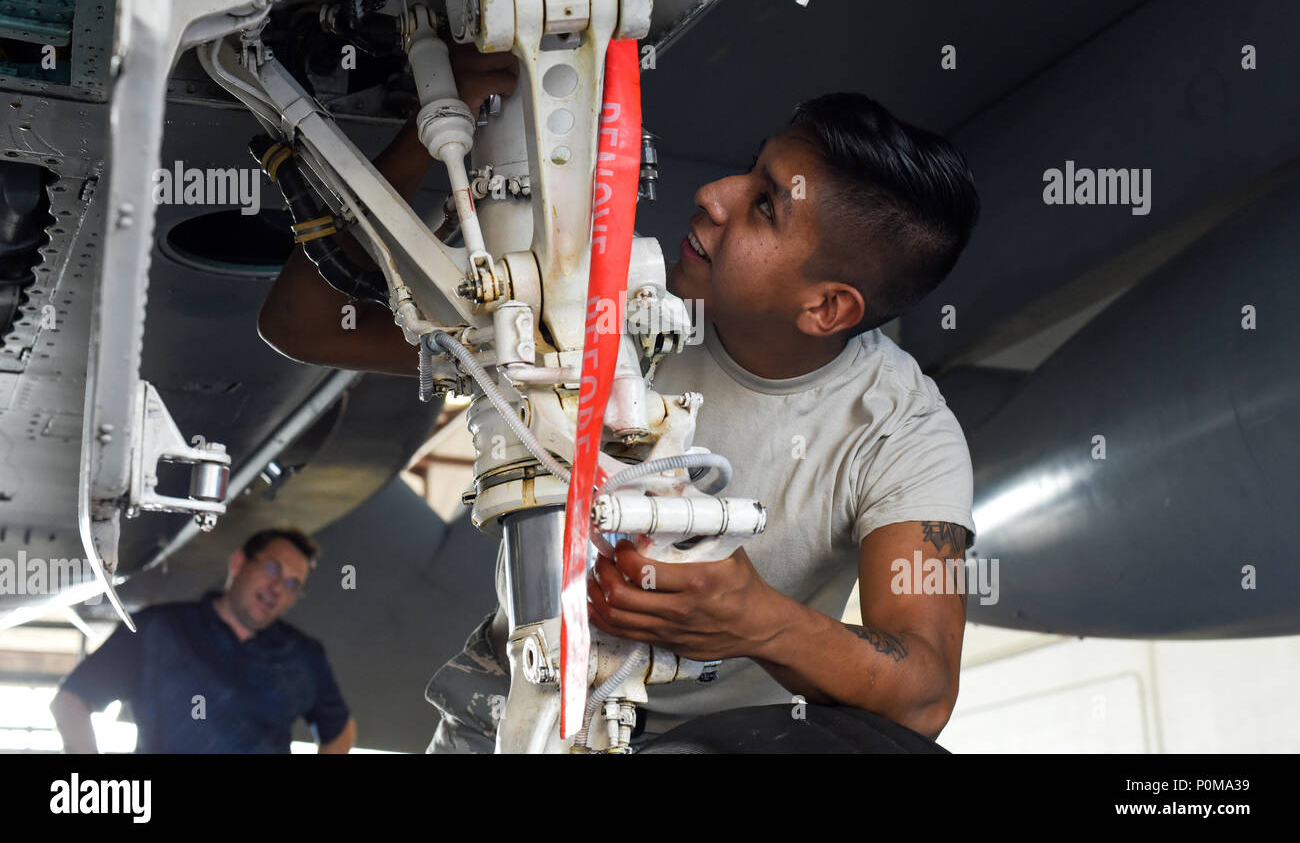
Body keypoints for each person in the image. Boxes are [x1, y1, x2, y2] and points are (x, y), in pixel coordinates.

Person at [257, 53, 980, 752]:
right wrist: (429, 131)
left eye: (764, 206)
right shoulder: (606, 315)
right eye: (752, 167)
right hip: (520, 714)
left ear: (827, 307)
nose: (715, 194)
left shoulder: (906, 433)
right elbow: (305, 322)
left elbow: (923, 693)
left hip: (708, 742)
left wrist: (758, 623)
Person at [50, 528, 356, 754]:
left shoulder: (303, 655)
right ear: (238, 564)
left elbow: (340, 731)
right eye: (272, 569)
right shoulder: (158, 628)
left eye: (292, 584)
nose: (277, 588)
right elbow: (70, 700)